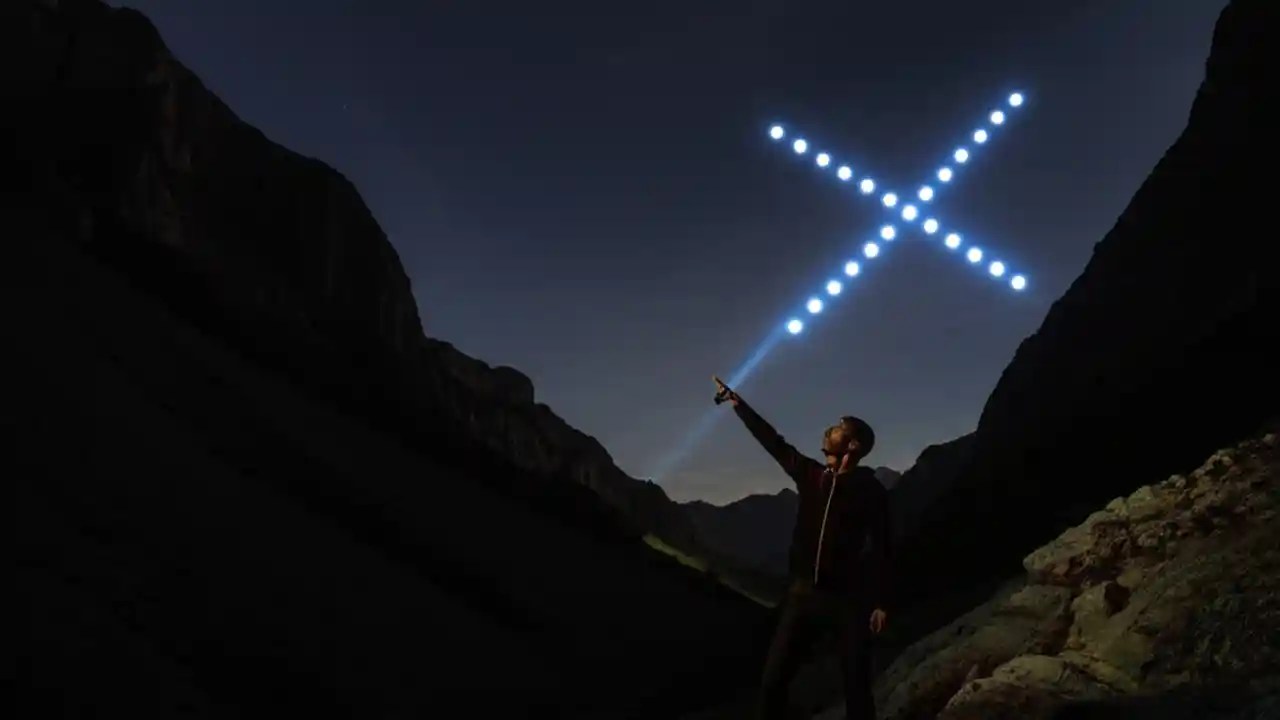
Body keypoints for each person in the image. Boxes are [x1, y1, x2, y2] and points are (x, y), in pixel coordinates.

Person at [712, 376, 891, 720]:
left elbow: (884, 544)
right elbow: (773, 442)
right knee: (773, 683)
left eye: (840, 427)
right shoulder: (811, 475)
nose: (830, 429)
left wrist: (882, 601)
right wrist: (737, 403)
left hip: (846, 599)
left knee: (856, 685)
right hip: (802, 595)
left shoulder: (870, 490)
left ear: (852, 445)